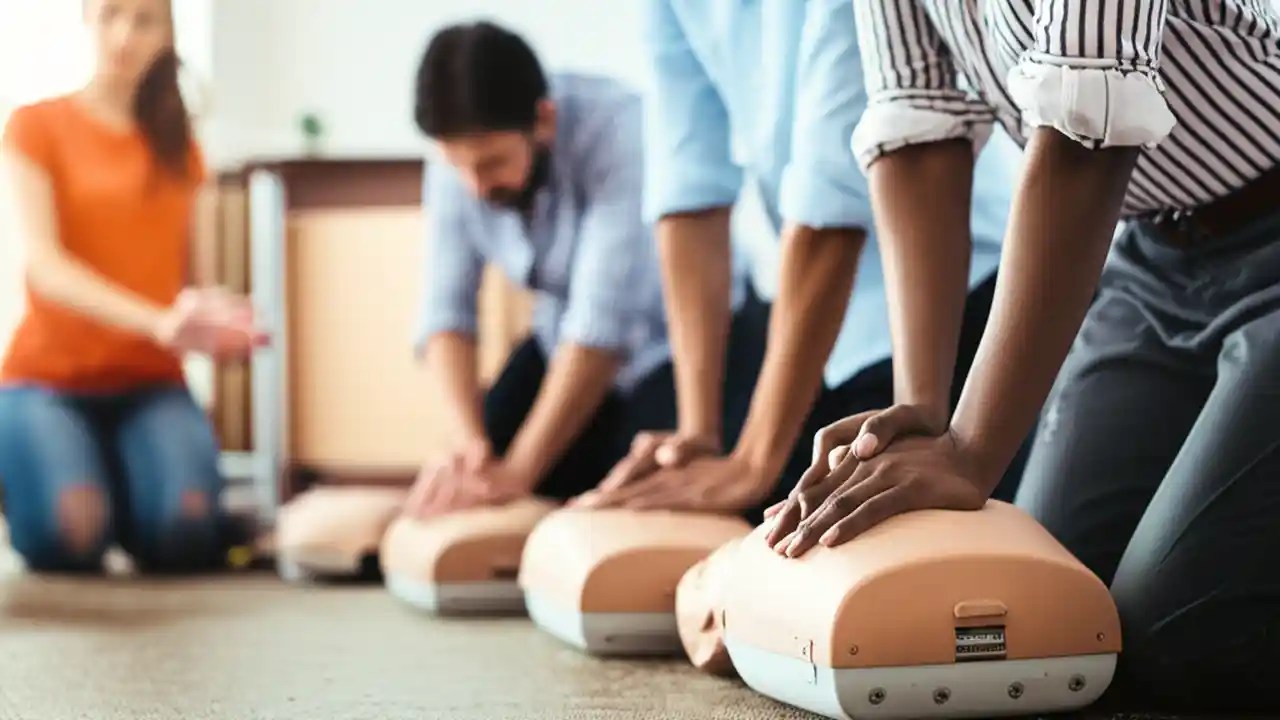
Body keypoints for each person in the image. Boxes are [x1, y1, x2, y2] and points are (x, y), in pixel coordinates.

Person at [768, 0, 1280, 712]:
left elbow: (1087, 129)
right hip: (1155, 254)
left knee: (1180, 637)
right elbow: (918, 126)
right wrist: (925, 409)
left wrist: (972, 450)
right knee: (1055, 610)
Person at [574, 0, 1025, 522]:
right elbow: (690, 193)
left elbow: (828, 207)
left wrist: (752, 463)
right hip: (832, 334)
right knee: (771, 521)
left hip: (958, 301)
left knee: (844, 533)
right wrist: (698, 433)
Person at [0, 0, 267, 574]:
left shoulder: (183, 150)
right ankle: (73, 479)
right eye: (110, 14)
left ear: (167, 33)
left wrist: (217, 316)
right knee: (69, 536)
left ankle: (122, 481)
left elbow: (191, 283)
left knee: (186, 531)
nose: (125, 34)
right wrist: (158, 321)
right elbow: (44, 264)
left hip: (151, 383)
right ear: (86, 19)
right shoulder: (35, 126)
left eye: (144, 19)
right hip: (45, 381)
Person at [402, 22, 678, 517]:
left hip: (666, 349)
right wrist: (473, 447)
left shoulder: (621, 128)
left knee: (632, 491)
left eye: (492, 164)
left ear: (543, 121)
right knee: (470, 477)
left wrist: (520, 474)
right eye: (458, 167)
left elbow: (601, 326)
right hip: (559, 341)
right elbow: (446, 315)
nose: (474, 187)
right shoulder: (460, 160)